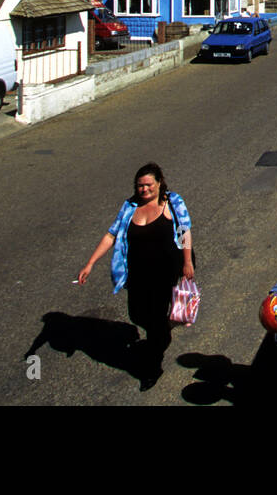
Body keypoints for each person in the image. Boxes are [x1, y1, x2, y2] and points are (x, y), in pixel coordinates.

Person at [78, 163, 194, 389]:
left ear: (160, 183)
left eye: (149, 185)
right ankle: (162, 329)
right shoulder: (130, 206)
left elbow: (185, 231)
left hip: (165, 272)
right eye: (140, 186)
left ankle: (152, 366)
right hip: (137, 274)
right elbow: (111, 235)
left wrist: (188, 262)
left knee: (155, 323)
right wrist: (90, 263)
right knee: (137, 315)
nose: (144, 190)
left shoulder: (173, 202)